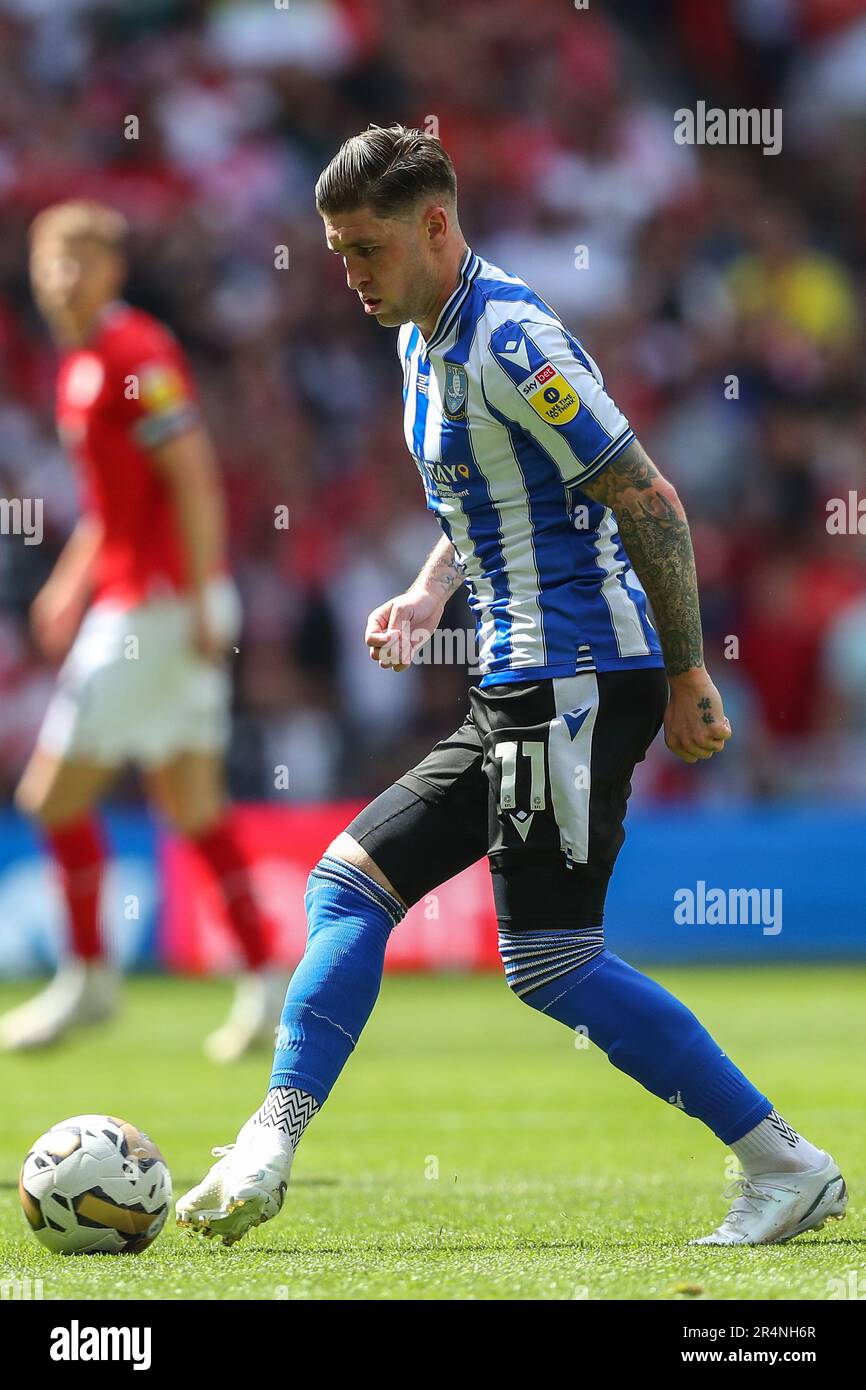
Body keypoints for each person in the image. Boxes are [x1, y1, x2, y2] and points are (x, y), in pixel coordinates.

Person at [177, 127, 846, 1244]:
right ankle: (266, 1144)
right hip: (516, 676)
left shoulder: (510, 339)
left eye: (367, 248)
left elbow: (646, 498)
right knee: (350, 886)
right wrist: (430, 588)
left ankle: (784, 1163)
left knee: (548, 957)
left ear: (437, 226)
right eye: (337, 250)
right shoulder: (416, 336)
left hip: (578, 675)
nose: (349, 272)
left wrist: (684, 673)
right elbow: (487, 493)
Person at [0, 200, 284, 1062]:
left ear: (113, 272)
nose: (61, 276)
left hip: (160, 608)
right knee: (193, 803)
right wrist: (68, 582)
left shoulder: (134, 355)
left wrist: (198, 596)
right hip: (141, 598)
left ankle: (89, 979)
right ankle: (268, 975)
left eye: (80, 259)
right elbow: (113, 507)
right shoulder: (79, 364)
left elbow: (193, 478)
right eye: (51, 260)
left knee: (50, 797)